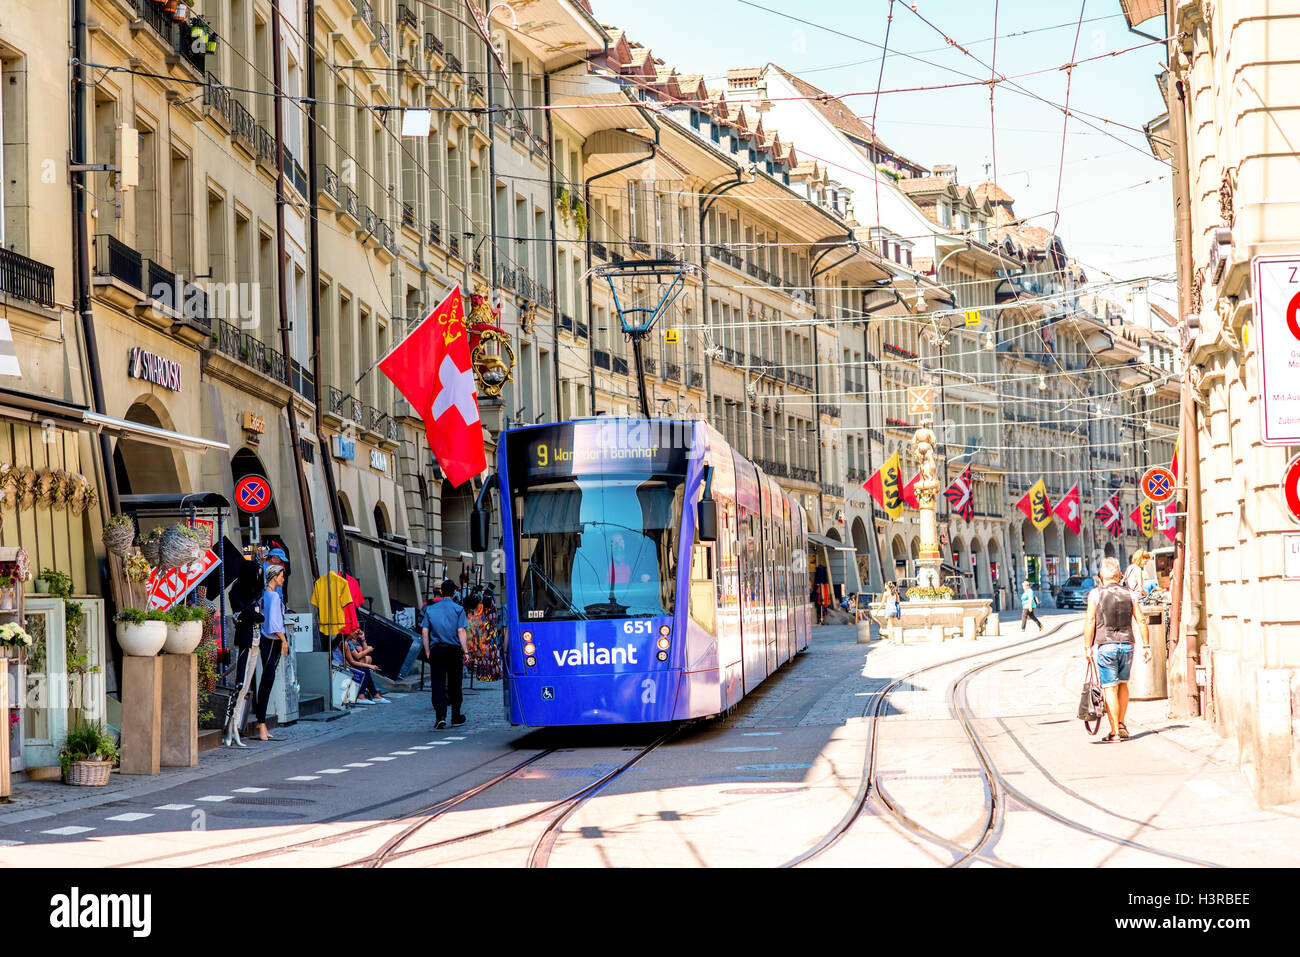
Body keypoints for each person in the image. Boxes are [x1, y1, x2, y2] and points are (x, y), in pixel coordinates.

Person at [1084, 556, 1152, 743]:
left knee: (1109, 688)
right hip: (1127, 645)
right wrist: (1146, 646)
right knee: (1123, 684)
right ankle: (1121, 724)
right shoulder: (1129, 594)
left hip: (1106, 645)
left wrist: (1087, 647)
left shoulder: (1095, 594)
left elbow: (1090, 621)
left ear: (1100, 575)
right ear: (1120, 574)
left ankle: (1114, 732)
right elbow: (1141, 619)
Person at [421, 578, 470, 729]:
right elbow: (461, 631)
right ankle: (456, 716)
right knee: (455, 684)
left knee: (438, 684)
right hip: (453, 650)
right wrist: (466, 651)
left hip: (437, 650)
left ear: (441, 592)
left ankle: (440, 716)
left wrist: (428, 650)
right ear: (455, 592)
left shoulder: (430, 609)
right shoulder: (458, 609)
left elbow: (424, 631)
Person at [253, 565, 289, 741]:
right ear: (274, 577)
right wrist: (284, 640)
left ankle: (262, 723)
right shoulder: (273, 596)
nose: (283, 578)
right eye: (281, 575)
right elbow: (274, 622)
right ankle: (261, 723)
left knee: (266, 682)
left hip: (266, 639)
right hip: (272, 640)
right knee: (267, 681)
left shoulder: (264, 595)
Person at [341, 627, 386, 704]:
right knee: (365, 669)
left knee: (365, 667)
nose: (358, 632)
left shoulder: (351, 642)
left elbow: (364, 653)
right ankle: (365, 696)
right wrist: (369, 665)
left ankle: (373, 695)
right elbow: (355, 659)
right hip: (343, 667)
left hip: (350, 665)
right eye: (356, 630)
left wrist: (363, 639)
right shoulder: (345, 643)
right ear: (349, 632)